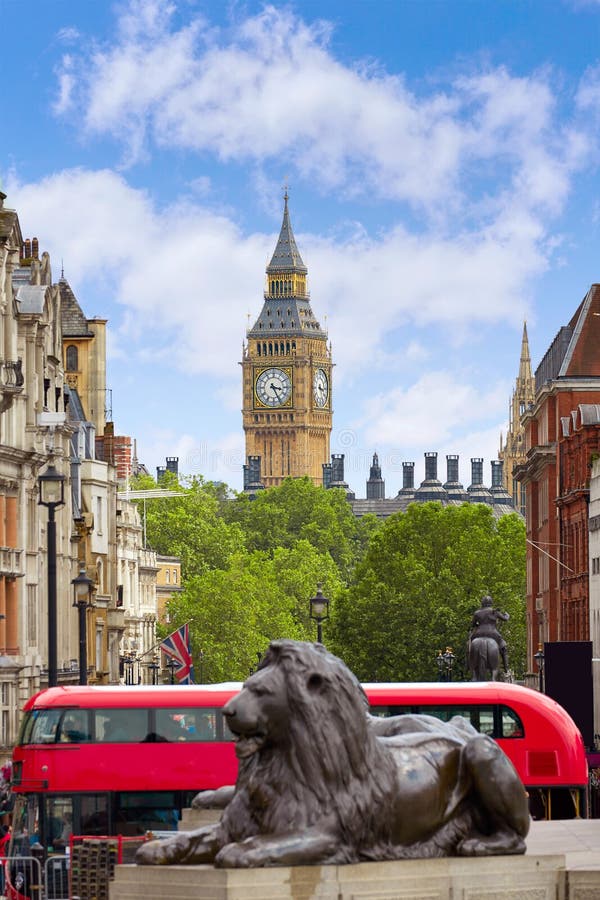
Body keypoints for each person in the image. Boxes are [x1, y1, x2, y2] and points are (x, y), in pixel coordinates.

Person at [468, 594, 509, 670]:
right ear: (491, 603)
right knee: (503, 647)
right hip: (493, 634)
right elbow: (505, 619)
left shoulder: (477, 613)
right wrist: (507, 615)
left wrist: (477, 625)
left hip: (478, 633)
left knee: (470, 645)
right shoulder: (494, 611)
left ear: (482, 603)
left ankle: (469, 664)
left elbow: (473, 624)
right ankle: (506, 666)